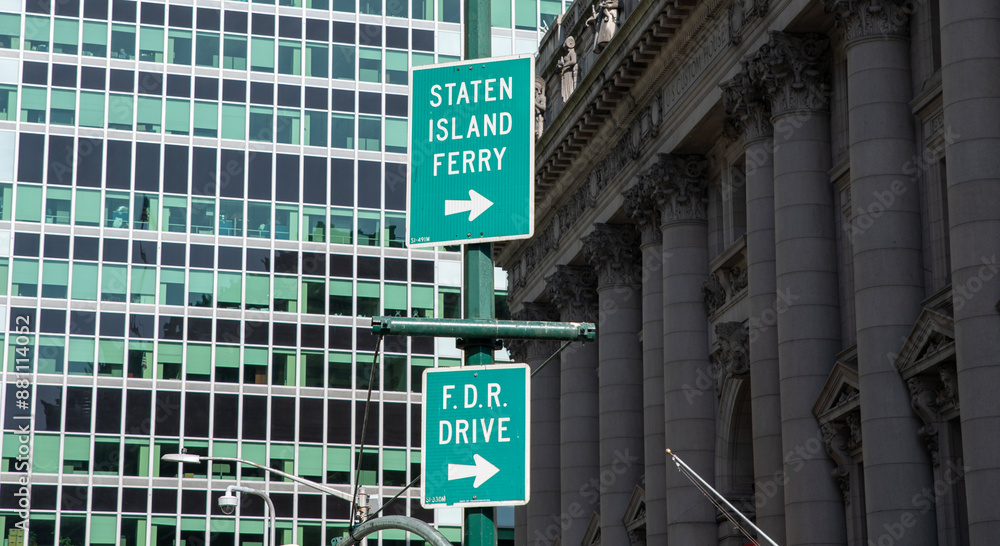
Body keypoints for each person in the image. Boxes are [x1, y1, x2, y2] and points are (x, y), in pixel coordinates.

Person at [558, 37, 578, 103]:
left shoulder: (572, 52)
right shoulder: (567, 54)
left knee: (569, 87)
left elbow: (574, 61)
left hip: (569, 73)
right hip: (565, 73)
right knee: (565, 88)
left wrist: (564, 65)